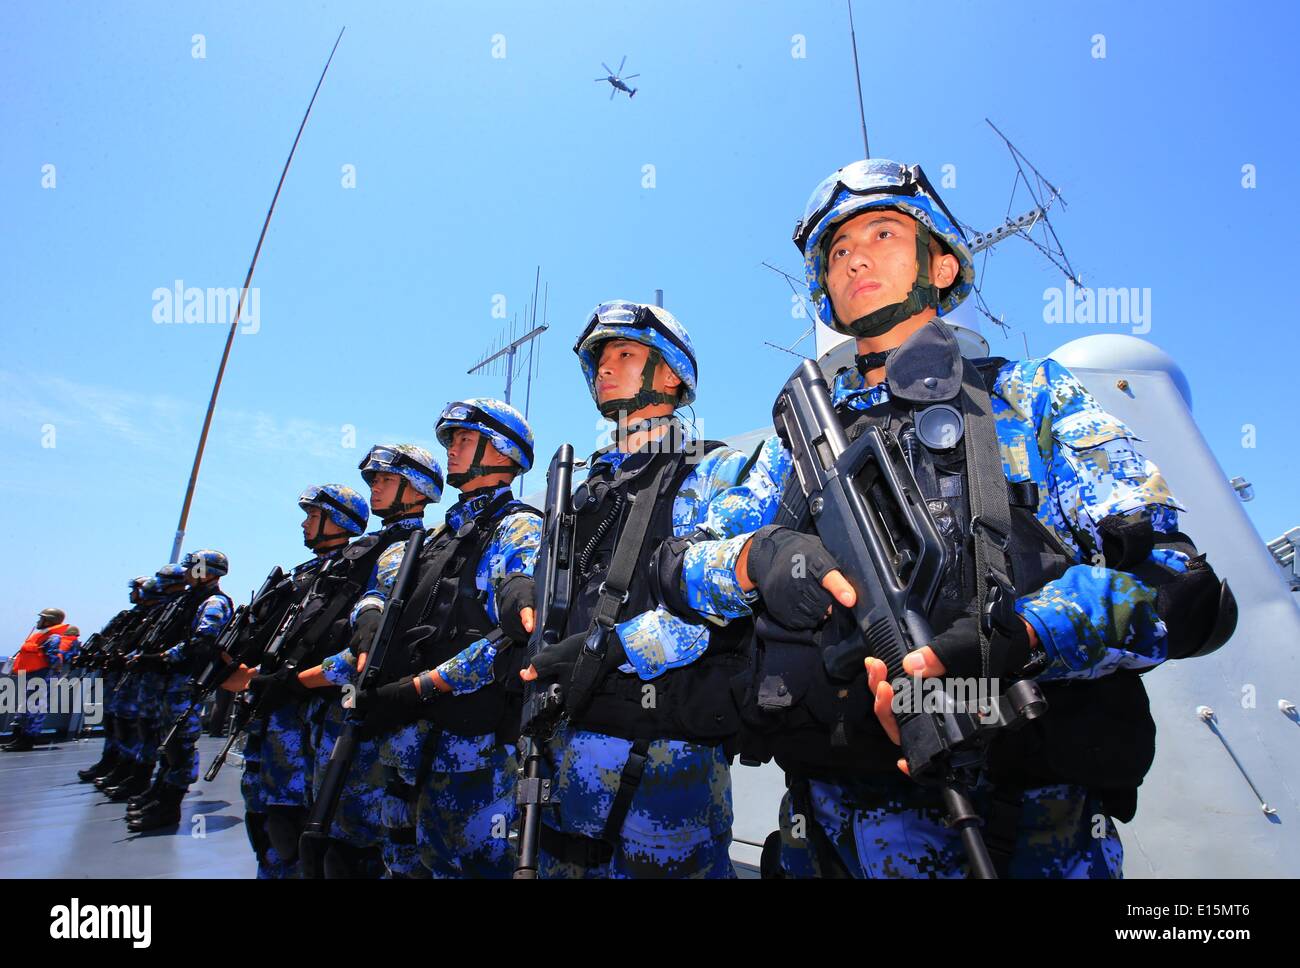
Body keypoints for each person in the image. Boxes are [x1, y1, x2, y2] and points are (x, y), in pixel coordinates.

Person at [657, 159, 1236, 878]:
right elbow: (680, 568)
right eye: (837, 251)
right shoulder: (794, 445)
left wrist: (1021, 635)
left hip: (1027, 834)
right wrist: (757, 560)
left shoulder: (1029, 398)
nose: (856, 256)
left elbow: (1184, 588)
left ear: (942, 262)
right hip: (823, 832)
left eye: (883, 232)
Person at [520, 300, 782, 878]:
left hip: (664, 763)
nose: (606, 367)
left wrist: (612, 648)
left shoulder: (713, 470)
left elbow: (731, 592)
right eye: (602, 359)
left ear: (669, 373)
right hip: (563, 756)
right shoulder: (583, 492)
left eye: (625, 353)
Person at [349, 398, 541, 878]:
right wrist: (367, 618)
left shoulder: (517, 527)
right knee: (397, 866)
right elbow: (378, 590)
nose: (452, 450)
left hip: (470, 757)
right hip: (403, 749)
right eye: (451, 440)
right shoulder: (430, 540)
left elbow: (508, 637)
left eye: (463, 439)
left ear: (501, 449)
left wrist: (422, 687)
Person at [296, 444, 443, 878]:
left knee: (365, 847)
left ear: (415, 487)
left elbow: (386, 644)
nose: (375, 488)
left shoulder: (418, 547)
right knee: (322, 840)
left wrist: (299, 681)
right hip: (334, 708)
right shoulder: (369, 549)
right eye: (373, 480)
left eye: (385, 479)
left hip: (374, 715)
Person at [221, 484, 371, 877]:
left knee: (295, 825)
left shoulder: (354, 572)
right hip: (271, 713)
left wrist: (287, 682)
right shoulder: (306, 576)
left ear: (337, 520)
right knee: (264, 816)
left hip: (307, 715)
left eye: (313, 515)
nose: (305, 523)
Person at [127, 549, 234, 831]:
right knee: (167, 740)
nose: (186, 574)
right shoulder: (189, 601)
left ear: (207, 572)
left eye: (192, 569)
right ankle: (159, 795)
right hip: (170, 681)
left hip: (186, 682)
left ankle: (170, 806)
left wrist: (162, 657)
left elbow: (202, 641)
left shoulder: (213, 603)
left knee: (180, 744)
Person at [77, 578, 152, 782]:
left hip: (135, 678)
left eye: (136, 589)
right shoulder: (128, 616)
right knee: (112, 719)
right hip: (115, 674)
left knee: (131, 725)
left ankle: (127, 767)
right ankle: (110, 760)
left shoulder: (155, 617)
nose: (132, 593)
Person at [3, 607, 70, 751]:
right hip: (33, 677)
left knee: (34, 710)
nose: (39, 621)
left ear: (49, 621)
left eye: (42, 618)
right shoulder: (42, 636)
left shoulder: (53, 638)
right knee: (24, 710)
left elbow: (53, 659)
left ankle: (27, 741)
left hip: (41, 679)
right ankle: (18, 738)